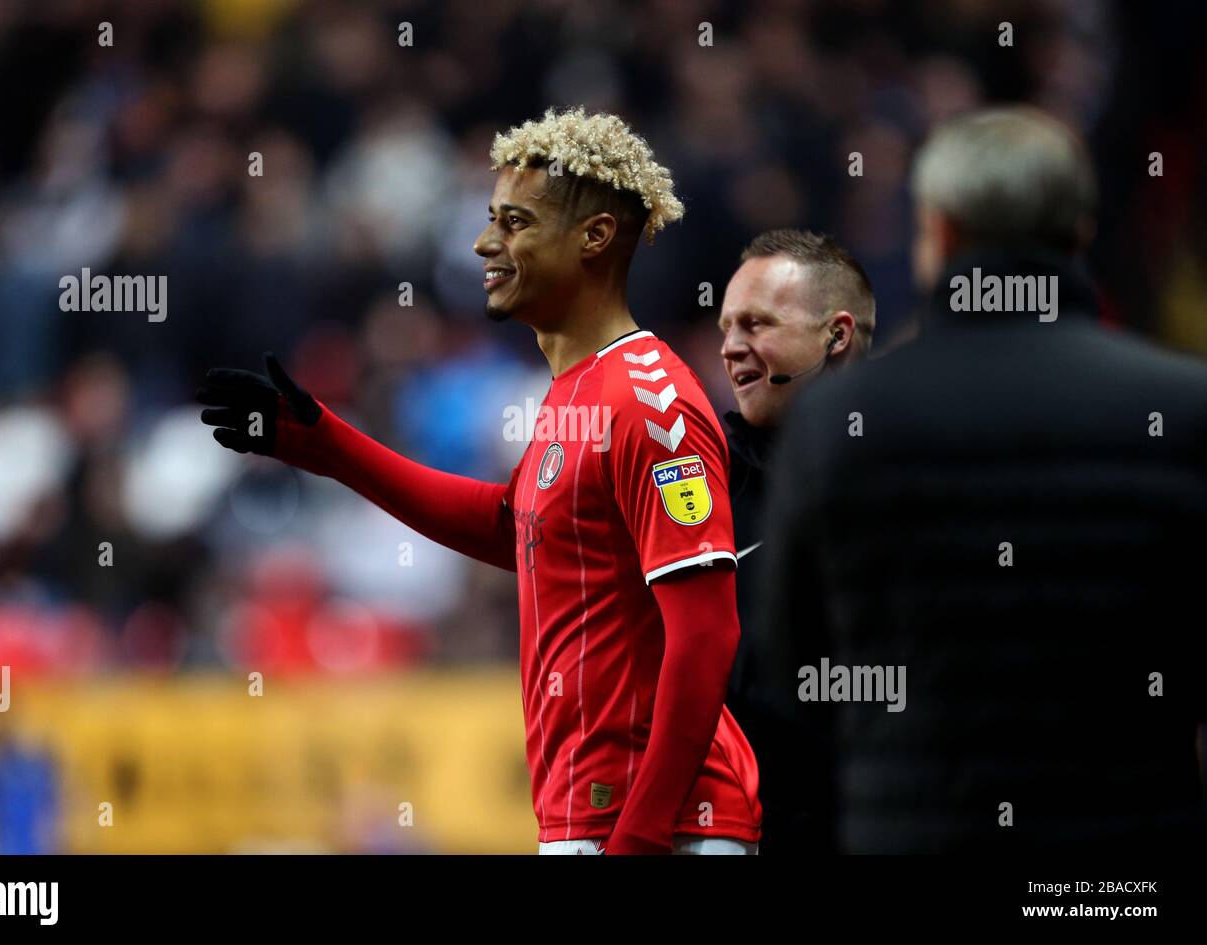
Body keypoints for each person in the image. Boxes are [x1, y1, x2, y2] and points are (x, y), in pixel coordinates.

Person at [198, 108, 761, 854]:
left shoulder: (651, 401)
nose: (484, 243)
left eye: (515, 222)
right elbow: (512, 527)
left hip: (664, 825)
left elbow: (707, 632)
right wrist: (329, 447)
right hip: (593, 812)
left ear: (593, 237)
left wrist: (643, 834)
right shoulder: (574, 391)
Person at [757, 106, 1207, 852]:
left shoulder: (838, 417)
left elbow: (795, 665)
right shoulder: (1184, 407)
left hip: (914, 829)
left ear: (939, 232)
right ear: (1082, 231)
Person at [717, 229, 874, 853]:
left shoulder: (913, 473)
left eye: (756, 325)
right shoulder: (702, 482)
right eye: (727, 326)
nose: (730, 348)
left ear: (835, 336)